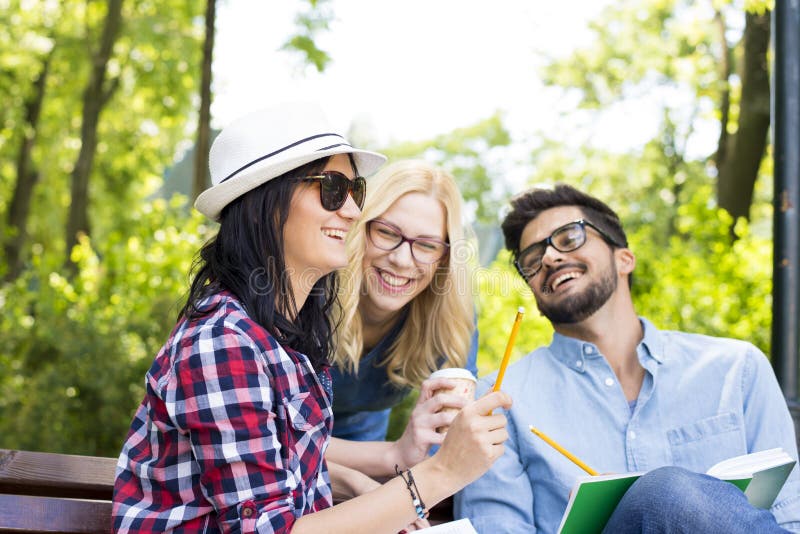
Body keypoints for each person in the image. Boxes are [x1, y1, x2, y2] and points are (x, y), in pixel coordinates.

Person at [111, 104, 511, 533]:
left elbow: (286, 470)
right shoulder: (223, 342)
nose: (354, 212)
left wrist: (368, 480)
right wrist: (439, 474)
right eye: (332, 189)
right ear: (267, 203)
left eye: (354, 191)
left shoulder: (287, 341)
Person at [455, 184, 800, 533]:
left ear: (624, 259)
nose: (548, 258)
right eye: (531, 259)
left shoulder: (737, 370)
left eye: (569, 238)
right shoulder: (500, 401)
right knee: (663, 493)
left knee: (666, 493)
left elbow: (789, 519)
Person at [325, 160, 480, 499]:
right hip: (291, 440)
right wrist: (388, 459)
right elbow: (273, 435)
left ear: (445, 258)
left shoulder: (451, 320)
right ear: (360, 229)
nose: (402, 260)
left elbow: (445, 446)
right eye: (387, 233)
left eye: (426, 245)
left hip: (364, 440)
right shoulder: (312, 296)